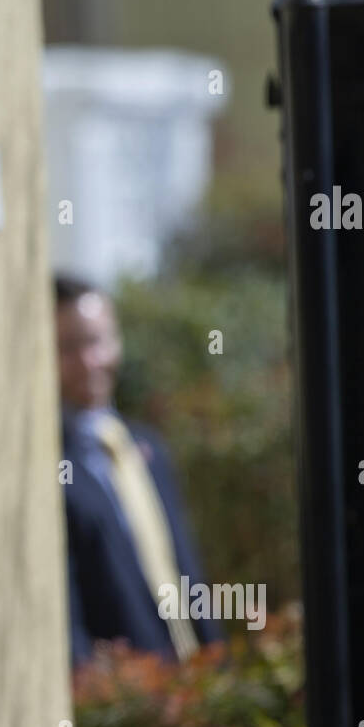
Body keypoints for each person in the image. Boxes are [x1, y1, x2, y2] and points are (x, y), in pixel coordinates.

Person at [55, 275, 222, 667]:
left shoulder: (146, 448)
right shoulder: (50, 467)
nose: (88, 361)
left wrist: (218, 665)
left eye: (96, 341)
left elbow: (184, 570)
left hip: (191, 687)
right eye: (68, 347)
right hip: (125, 702)